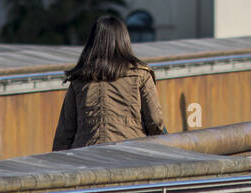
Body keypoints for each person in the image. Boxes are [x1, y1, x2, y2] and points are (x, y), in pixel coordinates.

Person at [52, 14, 167, 150]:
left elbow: (65, 131)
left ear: (93, 43)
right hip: (131, 152)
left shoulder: (79, 78)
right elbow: (155, 121)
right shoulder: (141, 74)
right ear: (123, 40)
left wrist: (58, 159)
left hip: (86, 154)